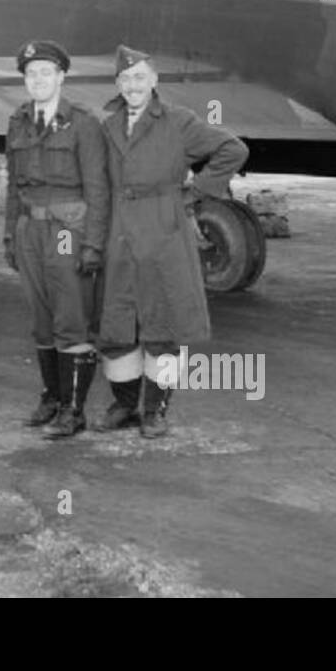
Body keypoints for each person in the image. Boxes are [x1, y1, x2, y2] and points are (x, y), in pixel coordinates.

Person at [96, 46, 248, 438]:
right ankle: (125, 405)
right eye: (126, 79)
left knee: (162, 322)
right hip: (119, 232)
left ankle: (154, 410)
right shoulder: (108, 126)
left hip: (163, 231)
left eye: (140, 77)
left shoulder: (179, 122)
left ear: (154, 81)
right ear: (117, 84)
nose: (133, 85)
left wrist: (196, 191)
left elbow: (233, 149)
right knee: (119, 321)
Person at [4, 40, 109, 439]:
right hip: (30, 228)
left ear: (61, 77)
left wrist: (93, 243)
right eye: (31, 74)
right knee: (40, 317)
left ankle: (73, 408)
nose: (38, 80)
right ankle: (51, 396)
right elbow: (14, 184)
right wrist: (11, 236)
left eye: (46, 72)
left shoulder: (83, 123)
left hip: (67, 230)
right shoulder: (18, 122)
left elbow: (97, 189)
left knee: (70, 314)